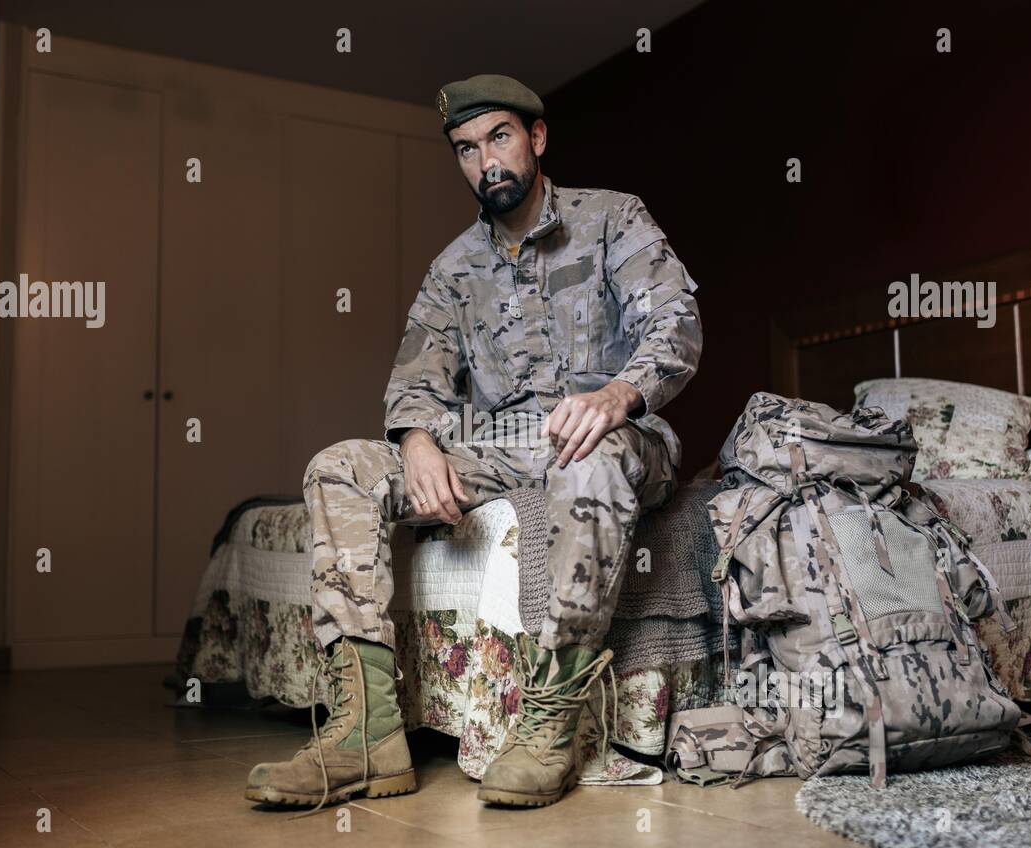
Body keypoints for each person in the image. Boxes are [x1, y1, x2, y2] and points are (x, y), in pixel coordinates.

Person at [247, 74, 702, 810]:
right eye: (466, 149)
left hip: (616, 433)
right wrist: (420, 439)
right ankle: (369, 737)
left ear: (537, 138)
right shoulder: (453, 268)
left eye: (499, 138)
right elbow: (415, 378)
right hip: (500, 445)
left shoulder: (614, 218)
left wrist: (619, 395)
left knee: (592, 457)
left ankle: (551, 722)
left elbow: (675, 323)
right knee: (340, 467)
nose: (485, 160)